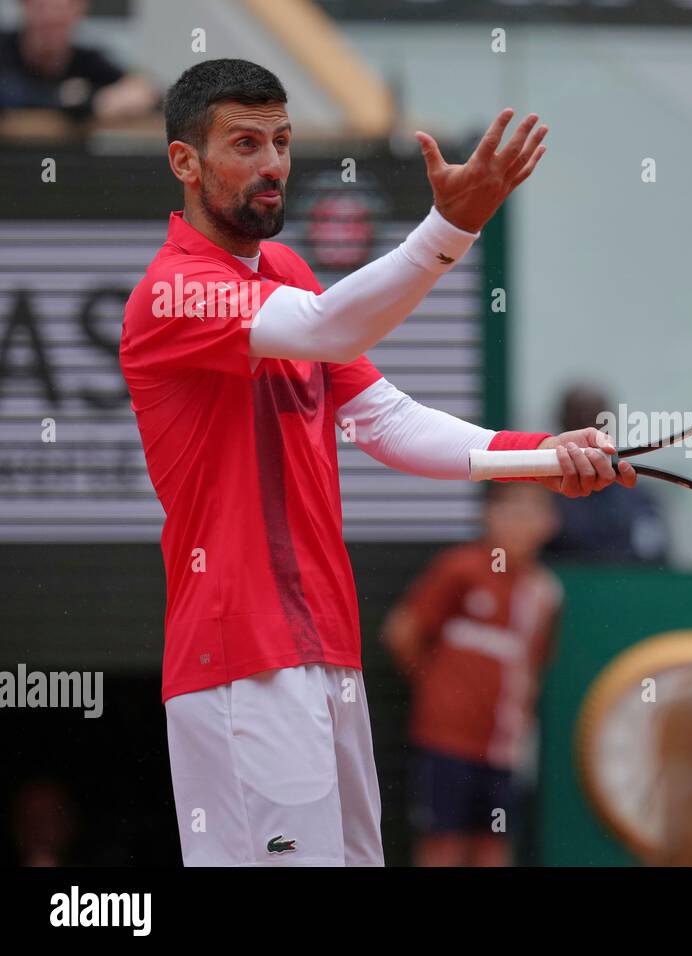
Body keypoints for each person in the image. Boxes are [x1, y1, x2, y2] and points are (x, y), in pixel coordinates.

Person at [118, 59, 635, 867]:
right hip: (241, 661)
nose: (271, 165)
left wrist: (541, 455)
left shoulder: (284, 272)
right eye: (244, 144)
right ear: (184, 162)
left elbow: (385, 420)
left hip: (323, 649)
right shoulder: (172, 291)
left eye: (282, 141)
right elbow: (331, 328)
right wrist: (449, 229)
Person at [382, 481, 561, 866]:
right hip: (446, 743)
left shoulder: (545, 594)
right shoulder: (459, 568)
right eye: (512, 511)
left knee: (494, 845)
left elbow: (535, 668)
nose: (521, 523)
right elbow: (402, 633)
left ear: (549, 524)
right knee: (442, 844)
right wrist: (436, 689)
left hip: (505, 749)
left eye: (532, 513)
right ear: (488, 516)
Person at [543, 385, 670, 564]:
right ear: (563, 423)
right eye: (578, 417)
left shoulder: (640, 499)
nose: (589, 429)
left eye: (599, 418)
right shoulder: (541, 499)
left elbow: (657, 558)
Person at [0, 0, 158, 120]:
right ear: (25, 6)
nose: (50, 15)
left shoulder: (86, 60)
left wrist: (96, 101)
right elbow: (9, 94)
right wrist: (65, 99)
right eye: (42, 6)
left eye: (61, 9)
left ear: (78, 11)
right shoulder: (4, 50)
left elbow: (143, 89)